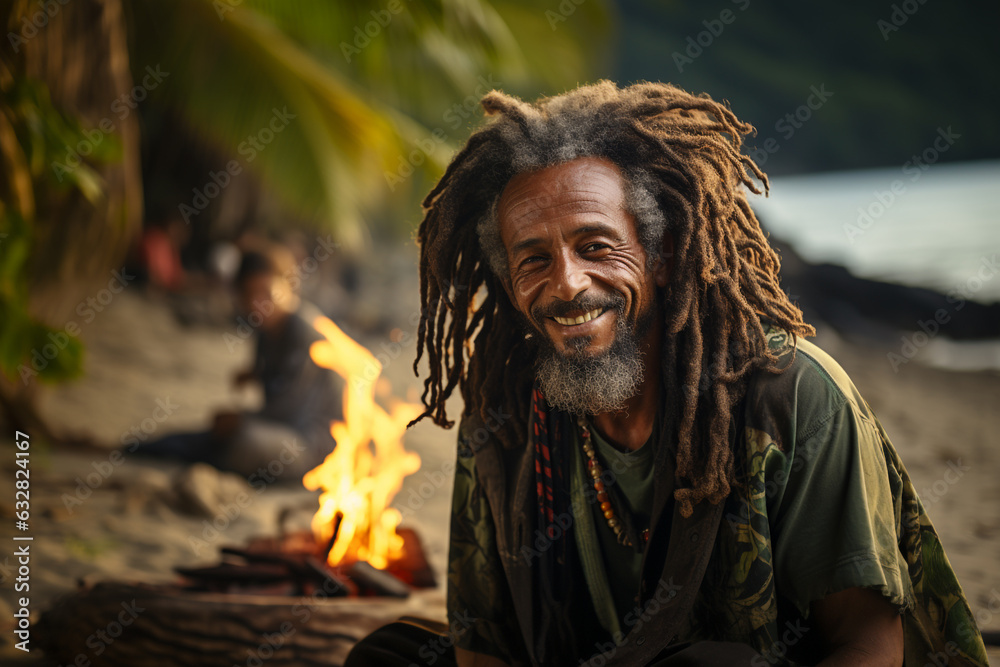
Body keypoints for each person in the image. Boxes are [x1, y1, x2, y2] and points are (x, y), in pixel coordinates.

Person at [344, 82, 990, 666]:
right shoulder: (506, 409)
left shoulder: (786, 389)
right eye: (533, 258)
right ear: (510, 284)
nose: (568, 283)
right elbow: (486, 644)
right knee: (390, 654)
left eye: (596, 245)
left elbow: (868, 638)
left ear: (662, 252)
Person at [132, 246, 341, 480]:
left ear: (287, 285)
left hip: (311, 444)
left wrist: (241, 418)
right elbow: (275, 380)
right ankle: (135, 448)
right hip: (278, 429)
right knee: (209, 435)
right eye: (250, 296)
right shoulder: (265, 331)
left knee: (244, 441)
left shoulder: (301, 330)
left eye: (266, 292)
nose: (258, 304)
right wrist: (255, 375)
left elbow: (289, 409)